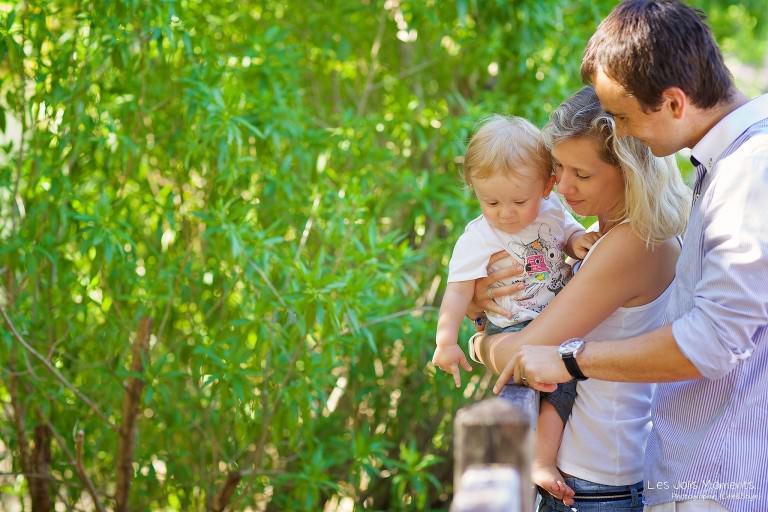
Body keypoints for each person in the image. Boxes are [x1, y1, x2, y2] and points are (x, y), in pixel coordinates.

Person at [500, 1, 768, 511]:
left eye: (621, 116)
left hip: (722, 484)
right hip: (685, 471)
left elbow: (710, 342)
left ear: (672, 102)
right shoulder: (724, 165)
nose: (620, 133)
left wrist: (568, 359)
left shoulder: (750, 172)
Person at [467, 86, 690, 512]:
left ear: (630, 169)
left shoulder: (633, 244)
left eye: (582, 175)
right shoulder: (607, 237)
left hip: (593, 485)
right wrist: (481, 302)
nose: (563, 188)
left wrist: (478, 340)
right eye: (559, 169)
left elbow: (523, 354)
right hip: (592, 475)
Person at [432, 115, 598, 387]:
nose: (506, 213)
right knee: (538, 388)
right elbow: (458, 291)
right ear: (476, 190)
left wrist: (576, 239)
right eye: (492, 202)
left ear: (546, 186)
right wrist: (446, 341)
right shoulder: (478, 238)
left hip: (561, 316)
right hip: (513, 326)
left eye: (519, 201)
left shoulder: (552, 208)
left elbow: (565, 230)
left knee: (567, 389)